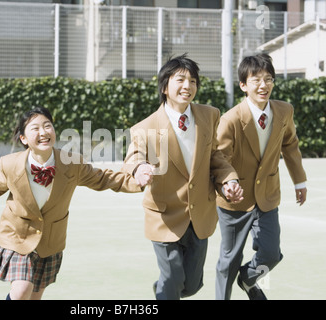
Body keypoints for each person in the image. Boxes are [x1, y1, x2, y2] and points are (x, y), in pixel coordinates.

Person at [0, 107, 150, 300]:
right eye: (35, 128)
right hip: (17, 235)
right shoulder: (10, 164)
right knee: (21, 291)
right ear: (23, 138)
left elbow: (102, 178)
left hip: (51, 240)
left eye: (47, 126)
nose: (43, 132)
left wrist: (136, 181)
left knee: (35, 296)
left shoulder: (72, 163)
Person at [122, 53, 243, 300]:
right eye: (180, 79)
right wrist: (139, 168)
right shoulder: (144, 128)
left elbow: (215, 157)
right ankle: (166, 290)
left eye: (193, 81)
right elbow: (132, 157)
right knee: (174, 280)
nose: (187, 86)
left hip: (200, 215)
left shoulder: (209, 116)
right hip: (164, 216)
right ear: (165, 86)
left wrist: (229, 180)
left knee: (191, 285)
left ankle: (163, 290)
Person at [215, 53, 307, 300]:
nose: (263, 85)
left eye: (268, 79)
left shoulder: (284, 111)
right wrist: (228, 184)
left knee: (270, 255)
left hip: (267, 195)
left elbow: (290, 145)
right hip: (234, 200)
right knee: (229, 260)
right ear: (243, 85)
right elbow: (220, 159)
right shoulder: (230, 119)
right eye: (256, 80)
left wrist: (300, 181)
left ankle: (247, 280)